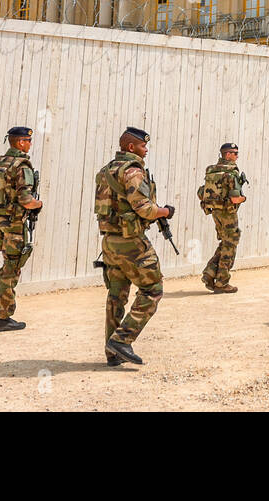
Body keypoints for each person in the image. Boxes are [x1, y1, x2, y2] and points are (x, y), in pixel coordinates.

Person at [95, 126, 173, 365]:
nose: (145, 150)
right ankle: (122, 340)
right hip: (131, 243)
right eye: (142, 146)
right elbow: (145, 209)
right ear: (131, 147)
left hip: (109, 242)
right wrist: (165, 211)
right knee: (153, 289)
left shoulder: (105, 171)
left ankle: (112, 353)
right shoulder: (132, 171)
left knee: (116, 296)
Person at [0, 126, 43, 331]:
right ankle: (2, 317)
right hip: (14, 223)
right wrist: (38, 204)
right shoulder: (22, 166)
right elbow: (25, 200)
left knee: (9, 263)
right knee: (13, 267)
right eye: (28, 141)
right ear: (21, 142)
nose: (30, 145)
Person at [199, 142, 247, 293]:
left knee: (226, 242)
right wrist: (243, 199)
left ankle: (209, 273)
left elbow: (202, 192)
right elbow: (235, 198)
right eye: (235, 153)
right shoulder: (231, 173)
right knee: (230, 246)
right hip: (228, 213)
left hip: (215, 212)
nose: (237, 156)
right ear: (227, 154)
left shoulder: (211, 170)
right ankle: (222, 282)